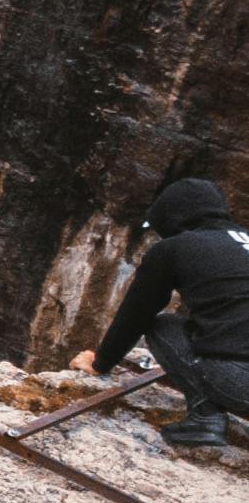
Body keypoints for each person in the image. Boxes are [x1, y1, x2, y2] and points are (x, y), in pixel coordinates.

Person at [89, 175, 249, 455]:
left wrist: (100, 363)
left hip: (241, 384)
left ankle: (205, 418)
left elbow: (136, 314)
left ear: (174, 218)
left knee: (162, 326)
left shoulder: (174, 248)